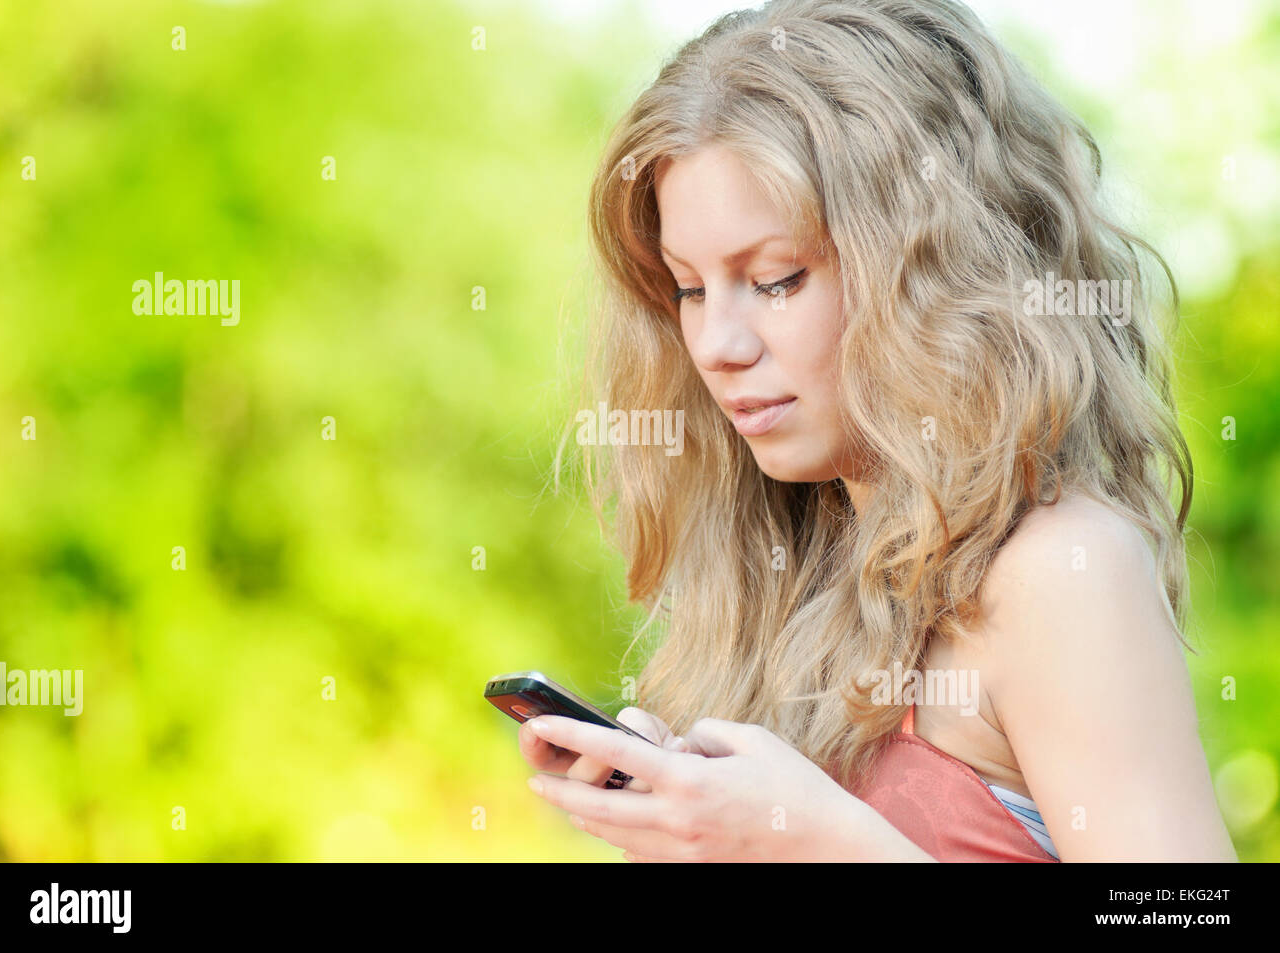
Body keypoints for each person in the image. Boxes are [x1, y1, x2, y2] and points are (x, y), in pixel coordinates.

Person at [518, 0, 1238, 862]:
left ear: (934, 269)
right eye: (691, 288)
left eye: (777, 279)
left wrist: (825, 843)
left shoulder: (1056, 568)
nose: (717, 346)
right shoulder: (788, 581)